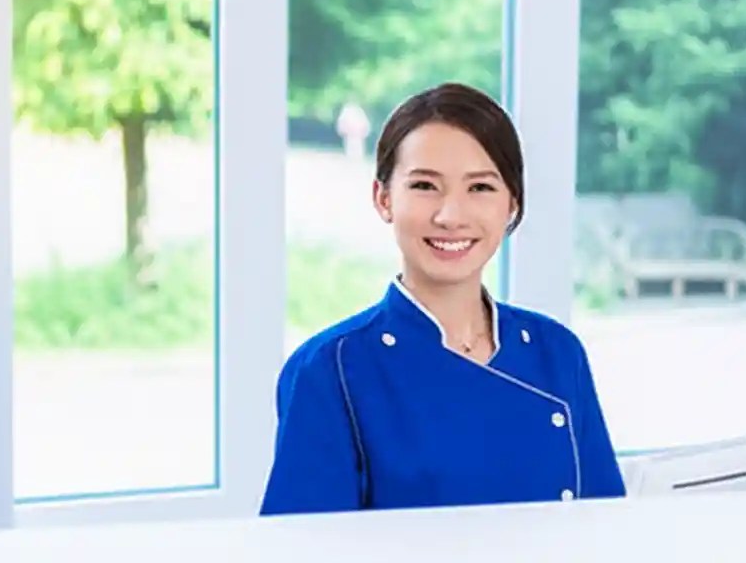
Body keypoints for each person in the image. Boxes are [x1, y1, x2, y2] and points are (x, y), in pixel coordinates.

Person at [260, 82, 625, 515]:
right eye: (425, 186)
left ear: (512, 203)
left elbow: (607, 531)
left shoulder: (557, 352)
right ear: (383, 198)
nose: (451, 216)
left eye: (480, 188)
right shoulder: (330, 368)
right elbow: (301, 553)